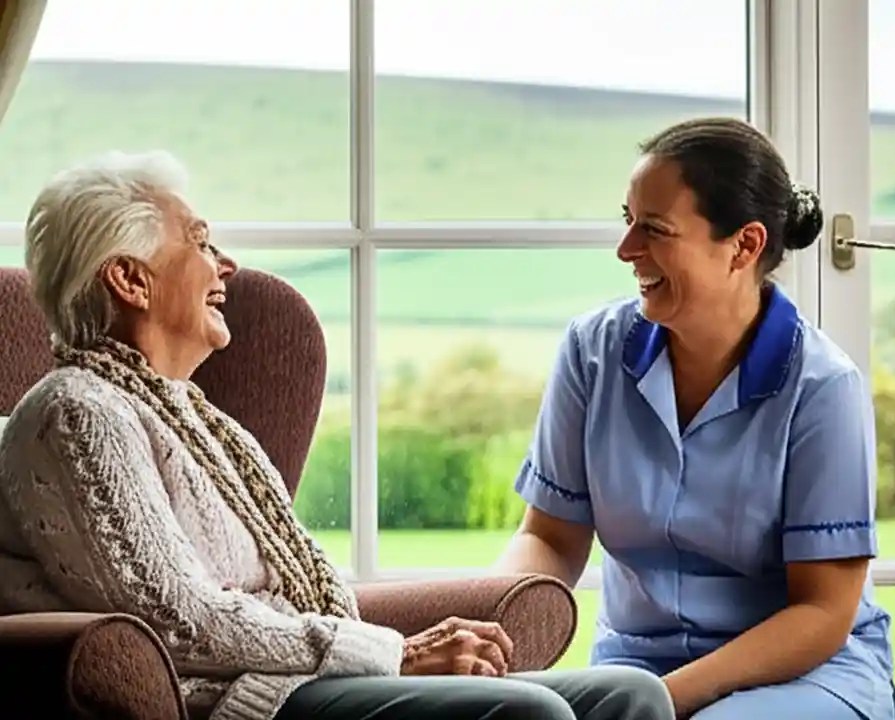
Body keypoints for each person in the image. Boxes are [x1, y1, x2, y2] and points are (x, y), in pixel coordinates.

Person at [0, 151, 675, 720]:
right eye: (201, 242)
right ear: (128, 278)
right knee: (531, 715)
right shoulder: (78, 413)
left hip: (310, 674)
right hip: (245, 699)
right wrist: (399, 653)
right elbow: (183, 620)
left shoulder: (204, 423)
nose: (225, 264)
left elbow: (297, 597)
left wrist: (394, 651)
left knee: (629, 695)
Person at [494, 117, 895, 719]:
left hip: (806, 676)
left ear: (744, 245)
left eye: (654, 230)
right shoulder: (591, 353)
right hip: (633, 667)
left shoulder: (822, 388)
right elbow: (550, 538)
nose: (626, 249)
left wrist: (665, 701)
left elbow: (822, 613)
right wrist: (496, 633)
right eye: (627, 220)